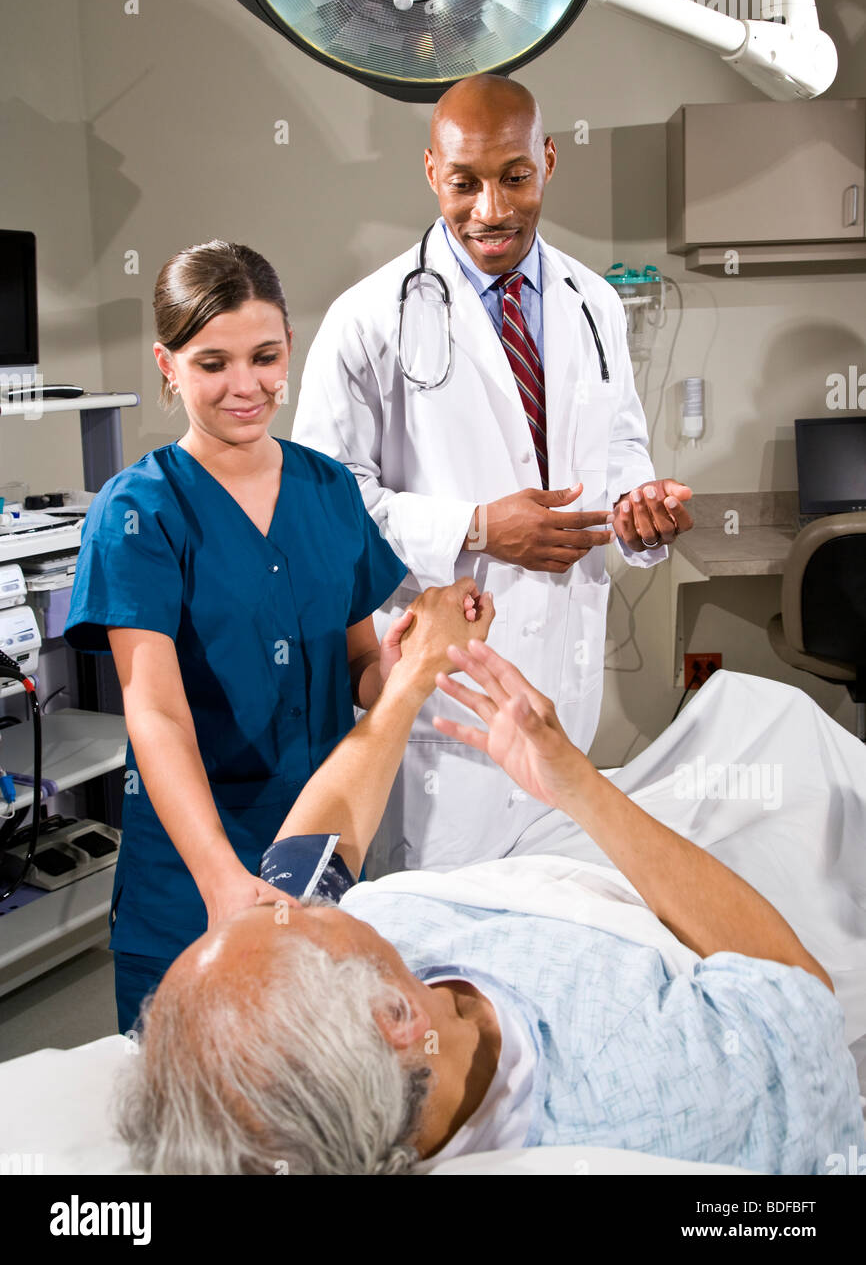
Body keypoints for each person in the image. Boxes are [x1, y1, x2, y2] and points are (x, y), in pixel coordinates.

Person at [115, 588, 864, 1176]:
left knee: (743, 719)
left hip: (571, 858)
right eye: (282, 920)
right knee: (785, 743)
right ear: (397, 1019)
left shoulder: (331, 1042)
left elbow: (320, 844)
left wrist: (413, 678)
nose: (272, 900)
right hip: (701, 904)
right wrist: (577, 784)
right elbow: (791, 989)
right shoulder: (659, 1091)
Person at [64, 240, 480, 1032]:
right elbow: (154, 713)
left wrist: (391, 672)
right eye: (212, 363)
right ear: (168, 363)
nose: (246, 386)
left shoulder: (326, 488)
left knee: (322, 1103)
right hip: (191, 873)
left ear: (289, 347)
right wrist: (222, 879)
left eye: (265, 356)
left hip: (321, 854)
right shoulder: (140, 511)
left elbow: (357, 661)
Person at [292, 72, 694, 875]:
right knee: (438, 959)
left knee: (557, 912)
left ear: (547, 161)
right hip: (440, 692)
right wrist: (476, 527)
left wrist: (640, 509)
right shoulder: (367, 318)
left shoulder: (593, 303)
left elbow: (619, 451)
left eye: (515, 177)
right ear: (432, 173)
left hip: (564, 684)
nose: (492, 210)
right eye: (466, 182)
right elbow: (324, 512)